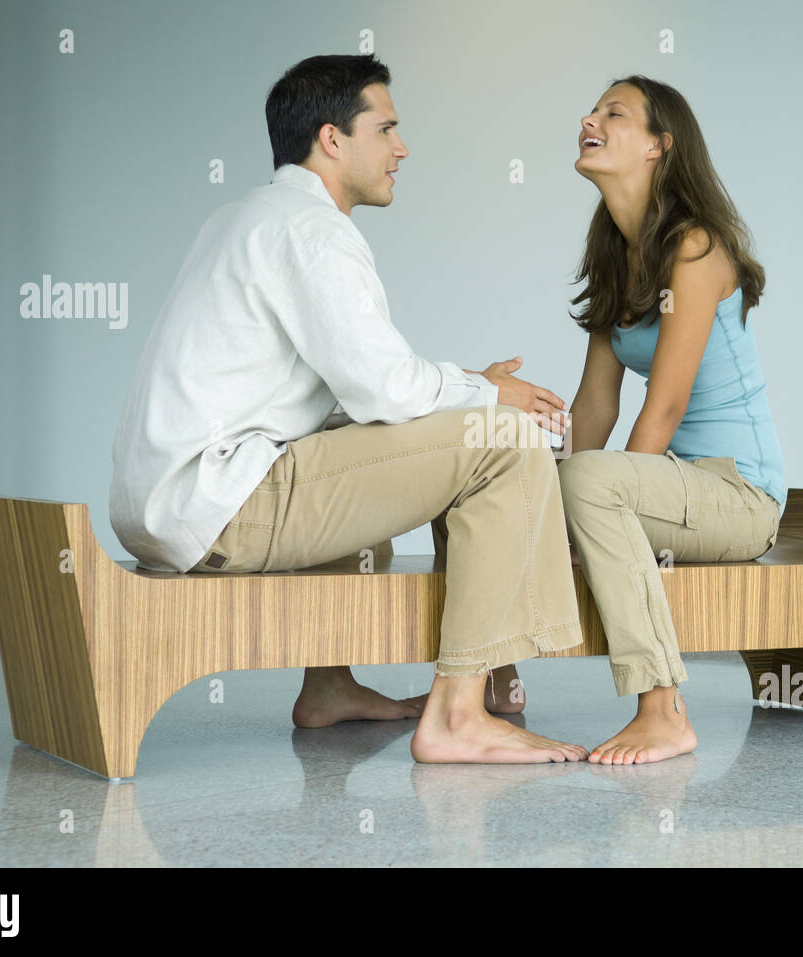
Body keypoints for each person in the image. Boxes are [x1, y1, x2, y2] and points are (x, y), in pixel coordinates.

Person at [109, 53, 588, 763]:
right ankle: (459, 714)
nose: (401, 148)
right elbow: (384, 389)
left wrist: (465, 380)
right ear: (332, 139)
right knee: (504, 440)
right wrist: (491, 395)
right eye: (386, 128)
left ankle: (329, 687)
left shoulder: (245, 215)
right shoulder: (313, 230)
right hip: (218, 504)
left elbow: (361, 381)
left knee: (371, 474)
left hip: (174, 500)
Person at [557, 75, 787, 765]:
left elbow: (666, 405)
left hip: (737, 492)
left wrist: (586, 491)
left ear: (661, 145)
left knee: (590, 481)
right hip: (668, 485)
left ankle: (663, 709)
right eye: (592, 108)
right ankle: (491, 697)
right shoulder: (614, 255)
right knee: (507, 480)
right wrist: (543, 490)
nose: (588, 118)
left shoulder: (694, 248)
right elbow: (595, 405)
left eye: (613, 113)